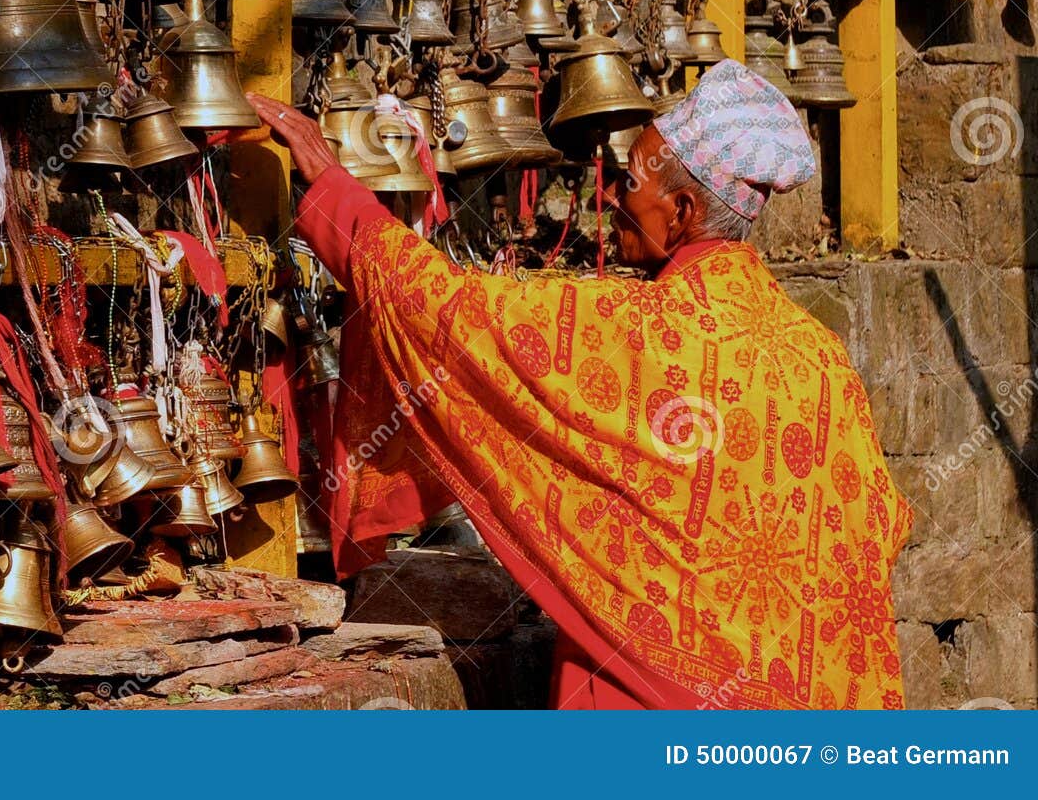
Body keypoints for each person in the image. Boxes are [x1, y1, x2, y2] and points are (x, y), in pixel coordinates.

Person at [248, 60, 911, 709]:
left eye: (628, 183)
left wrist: (335, 191)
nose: (613, 199)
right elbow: (875, 525)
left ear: (680, 211)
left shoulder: (636, 331)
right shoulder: (821, 359)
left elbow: (442, 310)